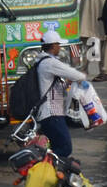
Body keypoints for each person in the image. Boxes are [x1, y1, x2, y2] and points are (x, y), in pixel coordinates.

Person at [31, 30, 89, 159]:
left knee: (55, 147)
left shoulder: (41, 62)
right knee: (65, 147)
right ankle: (43, 167)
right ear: (53, 46)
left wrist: (66, 84)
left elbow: (49, 86)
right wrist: (82, 77)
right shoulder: (49, 63)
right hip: (51, 113)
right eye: (58, 45)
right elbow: (76, 74)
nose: (60, 48)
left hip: (48, 113)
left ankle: (50, 170)